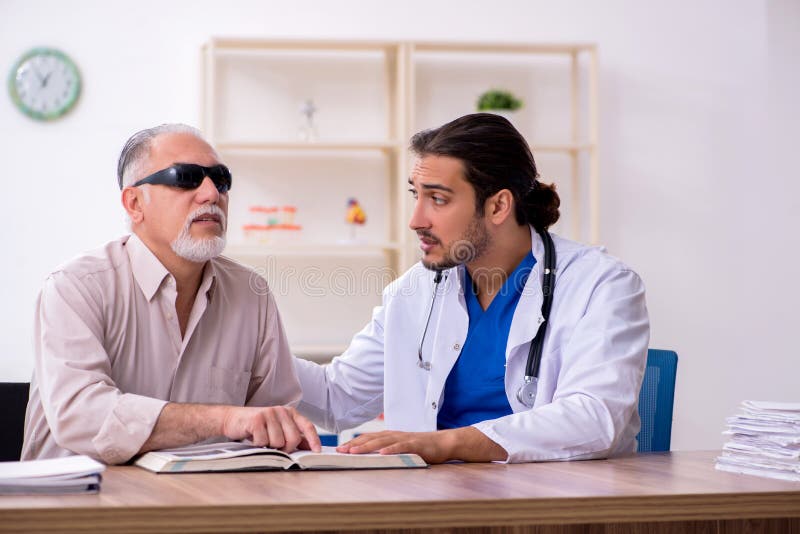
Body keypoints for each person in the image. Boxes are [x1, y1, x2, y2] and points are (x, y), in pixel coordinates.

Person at [294, 113, 649, 464]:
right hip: (429, 501)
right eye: (416, 196)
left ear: (498, 206)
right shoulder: (416, 290)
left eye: (438, 199)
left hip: (549, 504)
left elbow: (594, 418)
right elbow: (337, 398)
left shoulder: (600, 285)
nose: (416, 220)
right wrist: (251, 353)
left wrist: (444, 444)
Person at [22, 124, 320, 464]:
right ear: (134, 204)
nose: (211, 194)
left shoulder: (252, 294)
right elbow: (81, 416)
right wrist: (223, 419)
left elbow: (273, 423)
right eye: (185, 177)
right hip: (83, 506)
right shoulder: (76, 287)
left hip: (205, 506)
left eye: (221, 179)